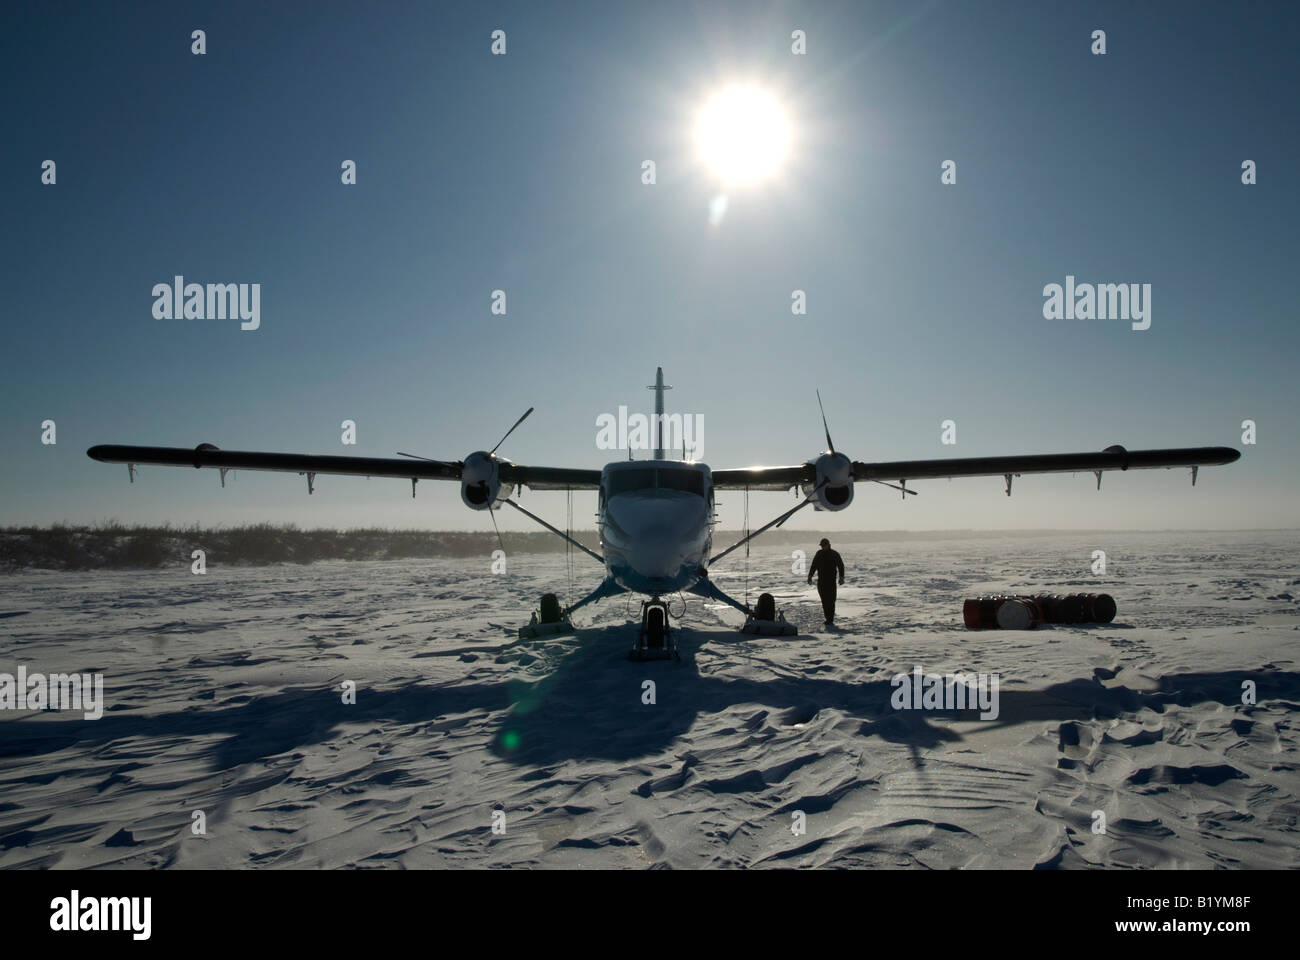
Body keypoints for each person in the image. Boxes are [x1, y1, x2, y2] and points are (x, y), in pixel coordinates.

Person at [807, 538, 845, 626]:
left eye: (824, 546)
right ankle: (828, 618)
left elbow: (841, 566)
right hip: (821, 581)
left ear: (828, 545)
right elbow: (814, 565)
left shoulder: (834, 554)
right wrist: (810, 576)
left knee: (831, 600)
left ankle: (830, 619)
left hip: (831, 581)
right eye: (822, 546)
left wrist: (841, 577)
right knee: (824, 601)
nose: (823, 547)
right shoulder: (819, 553)